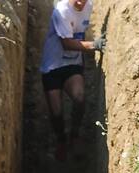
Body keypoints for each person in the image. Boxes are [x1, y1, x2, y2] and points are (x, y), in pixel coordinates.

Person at [41, 0, 105, 162]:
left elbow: (80, 32)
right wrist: (94, 45)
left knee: (79, 97)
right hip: (52, 67)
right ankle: (61, 140)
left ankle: (74, 136)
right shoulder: (61, 11)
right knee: (56, 111)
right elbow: (66, 43)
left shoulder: (88, 6)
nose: (80, 2)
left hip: (72, 65)